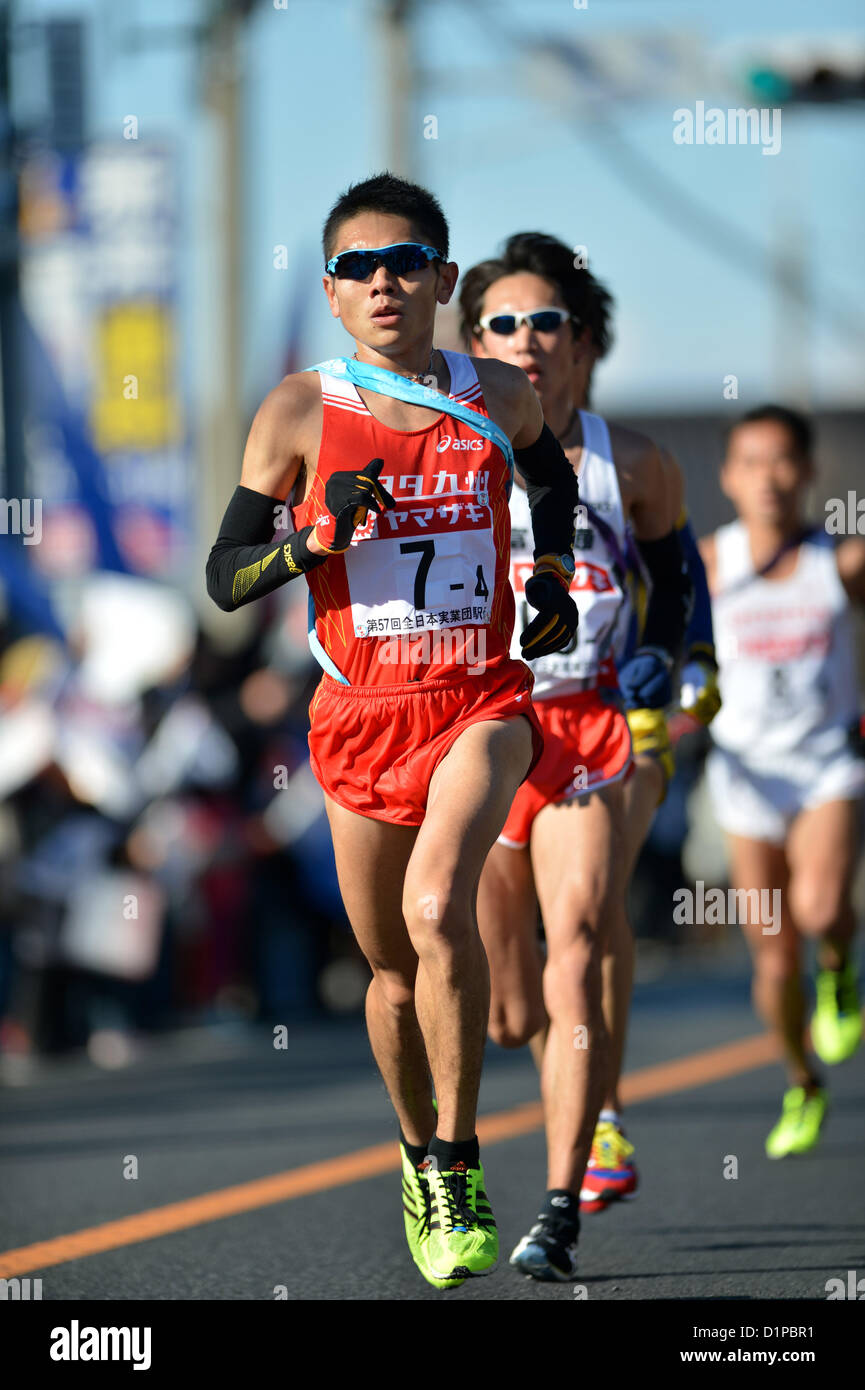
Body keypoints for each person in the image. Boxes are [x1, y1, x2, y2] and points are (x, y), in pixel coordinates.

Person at [206, 175, 582, 1289]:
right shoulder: (296, 411)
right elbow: (226, 578)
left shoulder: (499, 394)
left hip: (480, 699)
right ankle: (416, 1150)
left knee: (434, 910)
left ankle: (460, 1159)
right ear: (331, 292)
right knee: (387, 970)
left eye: (406, 261)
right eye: (359, 267)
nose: (384, 281)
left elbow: (549, 479)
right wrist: (311, 536)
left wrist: (550, 576)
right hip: (359, 715)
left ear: (442, 280)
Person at [459, 232, 694, 1279]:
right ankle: (577, 1089)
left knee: (581, 938)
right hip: (480, 735)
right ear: (471, 344)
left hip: (590, 728)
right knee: (511, 1009)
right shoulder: (448, 450)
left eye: (543, 322)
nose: (524, 340)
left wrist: (663, 658)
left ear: (580, 343)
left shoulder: (631, 461)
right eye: (500, 323)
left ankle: (560, 1201)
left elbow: (679, 590)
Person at [701, 404, 864, 1158]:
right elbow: (660, 638)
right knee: (769, 959)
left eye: (781, 461)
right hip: (744, 775)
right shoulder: (708, 564)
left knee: (821, 904)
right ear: (729, 477)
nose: (768, 477)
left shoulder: (841, 561)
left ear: (806, 472)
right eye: (751, 462)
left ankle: (836, 969)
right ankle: (801, 1081)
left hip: (823, 764)